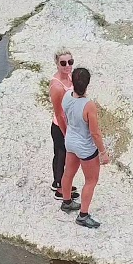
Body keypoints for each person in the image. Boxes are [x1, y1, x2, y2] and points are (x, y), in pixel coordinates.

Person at [58, 67, 110, 228]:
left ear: (72, 81)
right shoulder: (89, 106)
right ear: (87, 84)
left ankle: (66, 202)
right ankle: (83, 215)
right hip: (85, 147)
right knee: (91, 180)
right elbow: (95, 133)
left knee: (68, 173)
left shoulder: (66, 96)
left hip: (70, 141)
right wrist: (103, 152)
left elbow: (64, 115)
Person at [48, 49, 78, 201]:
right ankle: (60, 188)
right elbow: (59, 113)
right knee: (61, 156)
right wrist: (66, 133)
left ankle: (61, 183)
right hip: (60, 127)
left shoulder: (70, 77)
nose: (67, 66)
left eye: (70, 62)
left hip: (70, 123)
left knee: (64, 156)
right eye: (63, 63)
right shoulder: (57, 86)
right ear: (57, 64)